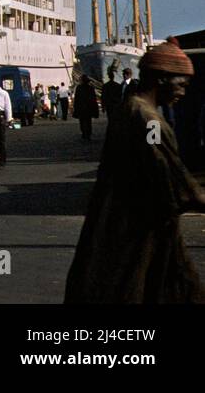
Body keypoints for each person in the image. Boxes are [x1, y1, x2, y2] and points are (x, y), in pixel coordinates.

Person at [64, 38, 205, 303]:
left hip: (126, 230)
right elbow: (176, 182)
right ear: (163, 79)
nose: (183, 93)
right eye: (182, 84)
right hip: (137, 236)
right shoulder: (148, 121)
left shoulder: (128, 110)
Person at [74, 76, 99, 141]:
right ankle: (88, 134)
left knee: (82, 121)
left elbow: (76, 99)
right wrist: (95, 109)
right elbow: (94, 99)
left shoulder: (78, 88)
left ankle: (84, 133)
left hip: (81, 107)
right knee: (88, 121)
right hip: (89, 108)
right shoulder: (91, 88)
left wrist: (75, 108)